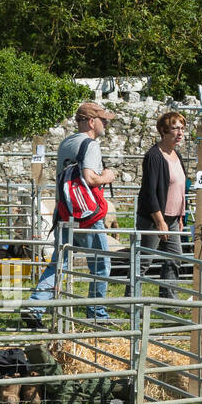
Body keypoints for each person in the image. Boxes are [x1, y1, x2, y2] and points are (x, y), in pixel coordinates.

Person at [23, 101, 118, 327]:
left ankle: (35, 307)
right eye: (103, 119)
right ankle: (97, 314)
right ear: (91, 121)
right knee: (101, 263)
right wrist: (108, 175)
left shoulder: (66, 143)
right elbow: (90, 178)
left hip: (65, 212)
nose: (105, 124)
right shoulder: (90, 145)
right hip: (87, 215)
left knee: (59, 261)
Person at [135, 111, 188, 297]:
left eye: (182, 128)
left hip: (173, 218)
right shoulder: (154, 156)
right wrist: (159, 221)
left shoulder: (177, 155)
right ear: (163, 132)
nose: (180, 132)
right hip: (154, 218)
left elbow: (180, 188)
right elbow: (150, 192)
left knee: (174, 258)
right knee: (143, 261)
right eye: (174, 128)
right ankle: (131, 300)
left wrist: (180, 216)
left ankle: (168, 300)